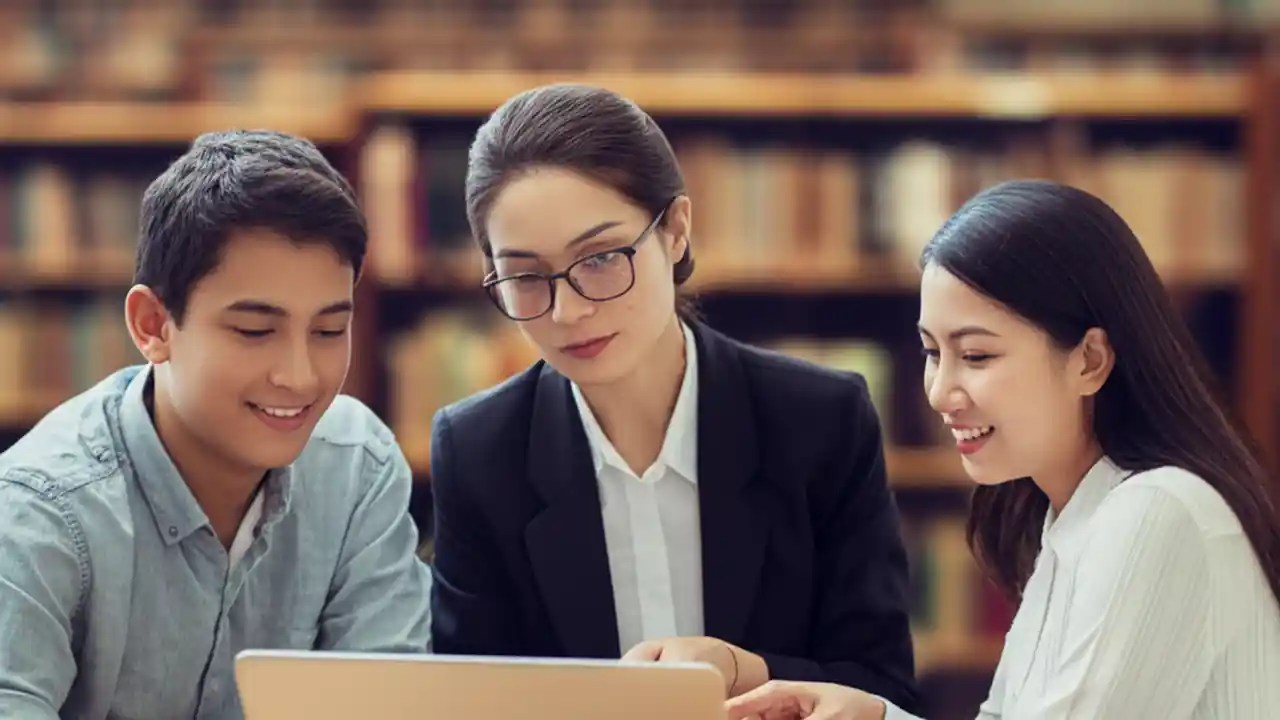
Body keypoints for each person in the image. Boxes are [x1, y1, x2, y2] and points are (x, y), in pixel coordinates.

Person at [426, 82, 919, 712]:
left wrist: (743, 670)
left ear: (676, 230)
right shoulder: (478, 450)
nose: (570, 311)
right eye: (525, 276)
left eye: (601, 258)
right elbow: (474, 702)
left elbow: (883, 690)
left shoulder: (819, 419)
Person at [725, 179, 1280, 720]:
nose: (941, 392)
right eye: (931, 351)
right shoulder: (1072, 519)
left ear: (1089, 360)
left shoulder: (1157, 513)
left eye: (977, 356)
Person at [0, 130, 432, 720]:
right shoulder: (39, 510)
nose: (300, 377)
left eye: (329, 331)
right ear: (153, 325)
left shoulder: (358, 465)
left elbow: (387, 703)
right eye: (255, 331)